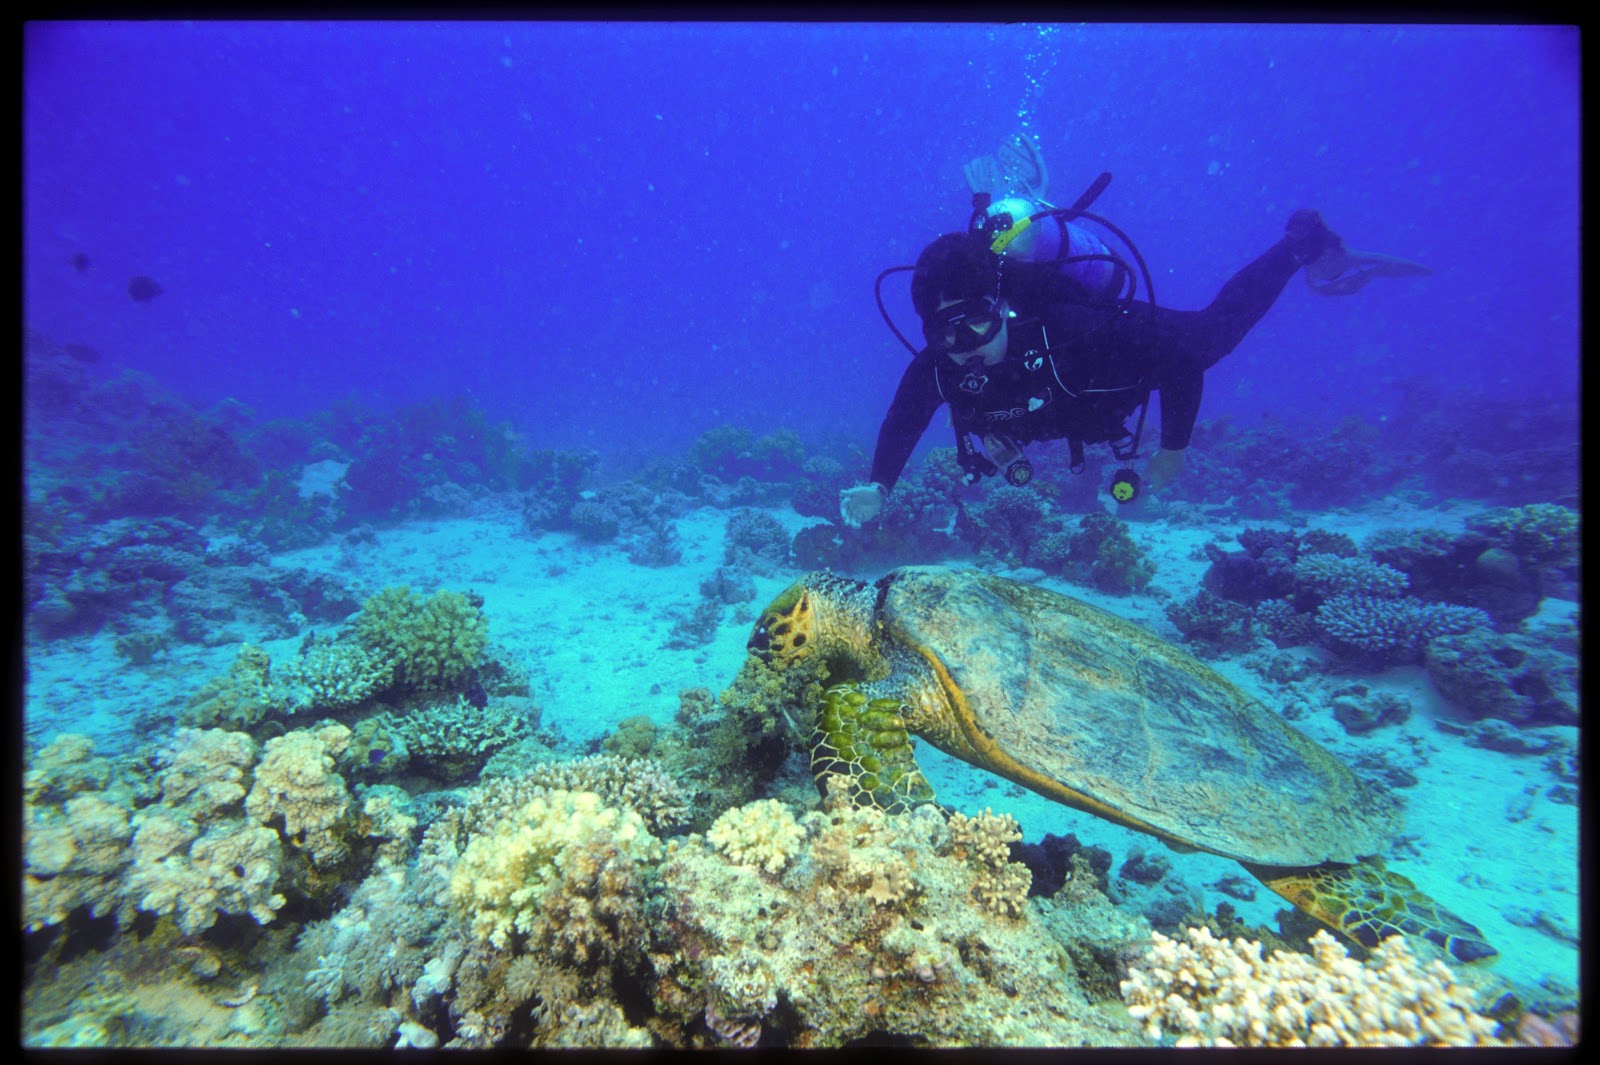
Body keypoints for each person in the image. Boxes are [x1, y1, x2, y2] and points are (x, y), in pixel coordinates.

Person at [840, 202, 1424, 528]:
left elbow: (1180, 363)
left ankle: (1301, 244)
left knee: (1211, 336)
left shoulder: (1072, 327)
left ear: (1002, 307)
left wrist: (1172, 450)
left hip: (1113, 372)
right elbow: (903, 420)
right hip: (1062, 409)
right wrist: (878, 486)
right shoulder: (939, 365)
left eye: (972, 319)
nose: (960, 340)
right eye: (941, 329)